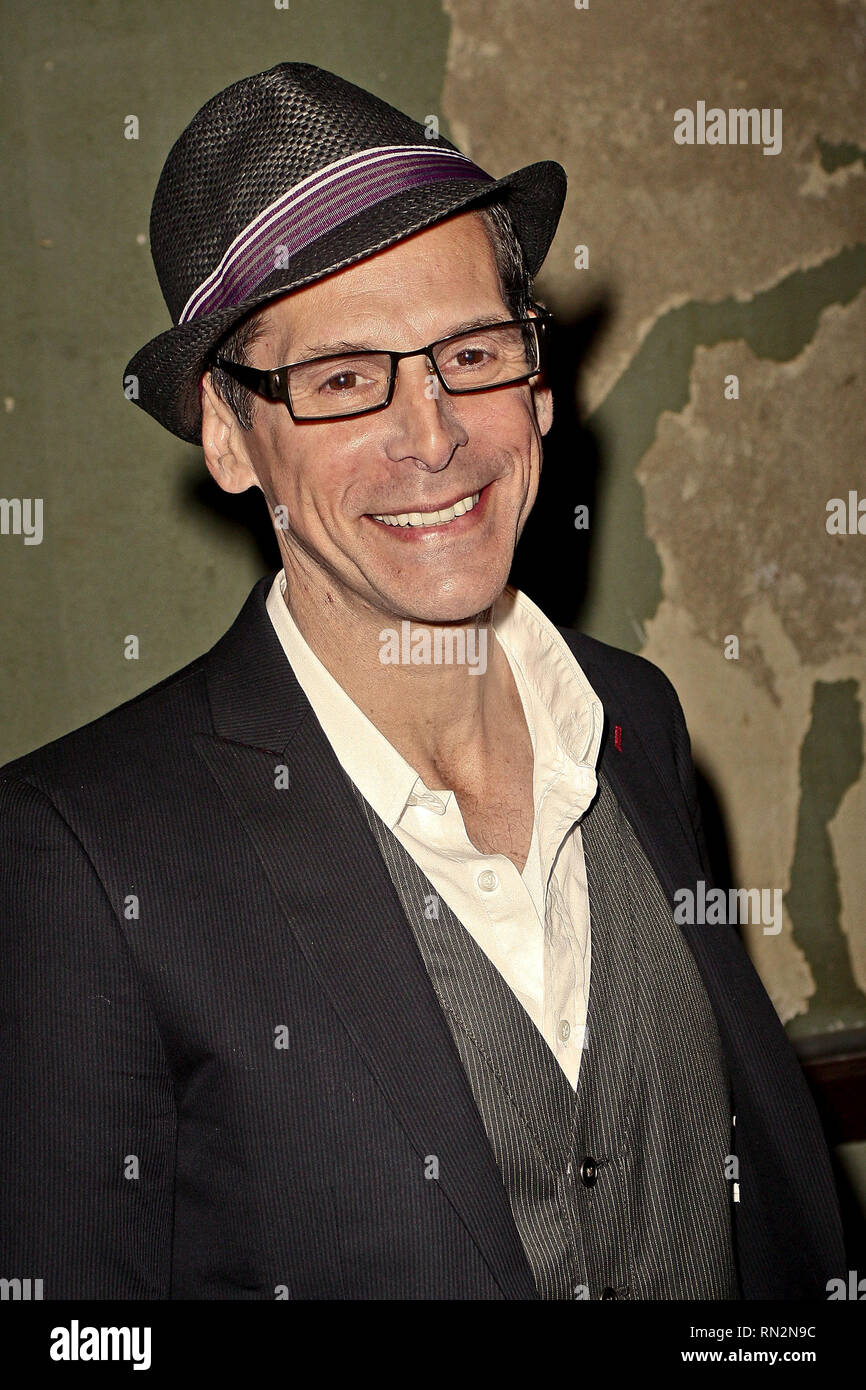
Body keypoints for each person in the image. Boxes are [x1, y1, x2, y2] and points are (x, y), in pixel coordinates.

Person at [0, 62, 846, 1300]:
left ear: (538, 383)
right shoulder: (76, 853)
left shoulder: (634, 720)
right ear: (232, 438)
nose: (433, 432)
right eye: (343, 380)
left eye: (470, 352)